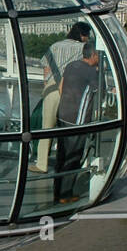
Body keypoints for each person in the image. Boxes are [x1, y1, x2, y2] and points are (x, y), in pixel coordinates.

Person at [33, 22, 92, 174]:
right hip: (73, 90)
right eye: (87, 35)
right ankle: (64, 163)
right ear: (82, 35)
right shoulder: (83, 49)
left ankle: (41, 164)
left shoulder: (55, 46)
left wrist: (47, 85)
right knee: (67, 128)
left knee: (47, 127)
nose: (88, 38)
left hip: (52, 88)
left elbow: (46, 69)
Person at [53, 41, 99, 204]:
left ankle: (56, 191)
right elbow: (98, 92)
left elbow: (61, 88)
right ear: (93, 55)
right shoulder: (91, 72)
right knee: (73, 158)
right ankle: (65, 195)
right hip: (77, 120)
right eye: (98, 55)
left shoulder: (72, 65)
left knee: (62, 154)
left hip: (63, 115)